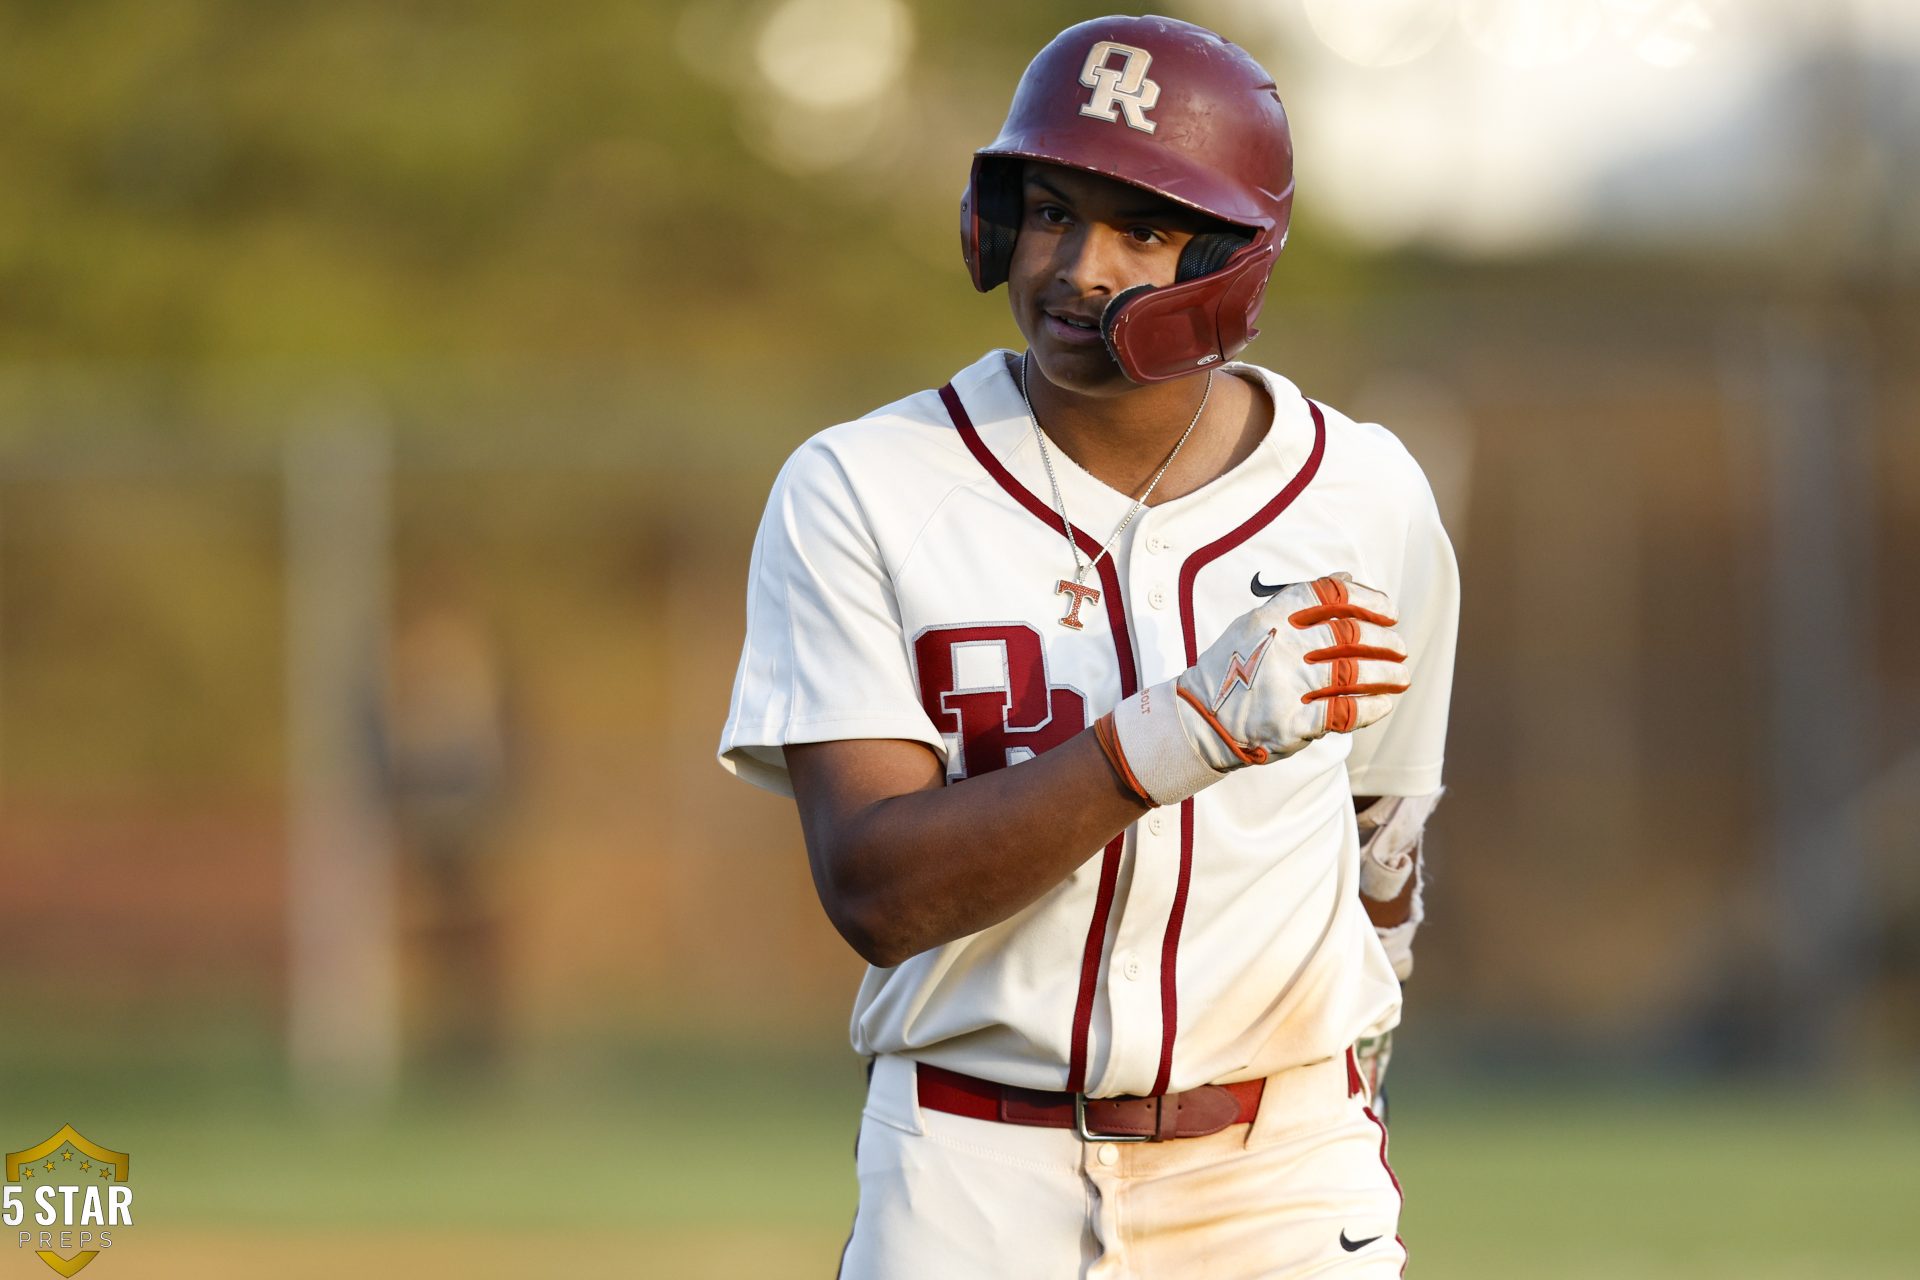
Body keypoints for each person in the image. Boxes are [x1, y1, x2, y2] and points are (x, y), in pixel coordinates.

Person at [718, 15, 1457, 1277]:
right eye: (1051, 209)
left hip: (1279, 1170)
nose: (1079, 267)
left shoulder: (1365, 492)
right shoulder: (861, 484)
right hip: (967, 1162)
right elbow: (879, 892)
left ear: (1231, 259)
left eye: (1145, 229)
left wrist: (1362, 1025)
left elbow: (1385, 825)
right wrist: (1179, 732)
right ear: (992, 218)